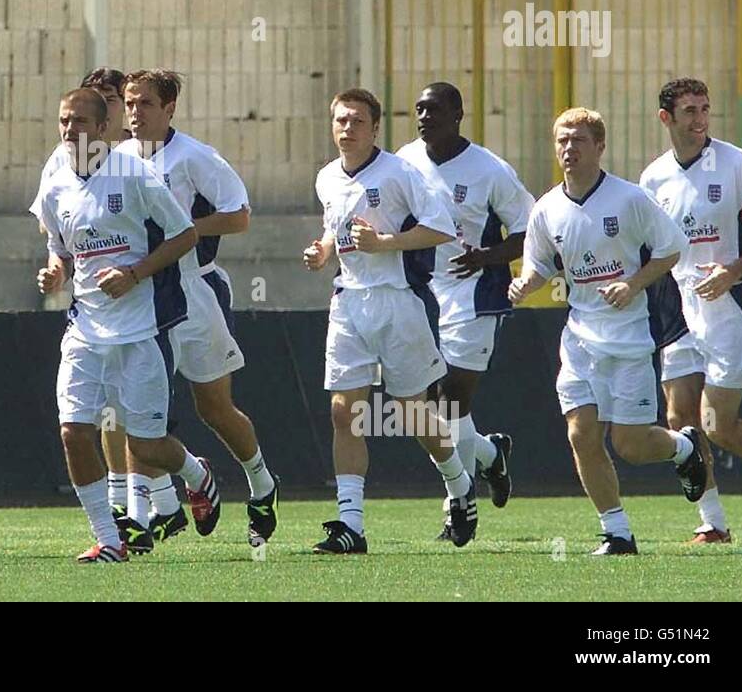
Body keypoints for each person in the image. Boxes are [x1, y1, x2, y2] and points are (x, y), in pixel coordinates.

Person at [508, 107, 708, 555]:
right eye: (562, 140)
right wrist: (526, 282)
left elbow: (672, 248)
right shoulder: (547, 208)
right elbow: (540, 263)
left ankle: (683, 448)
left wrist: (634, 283)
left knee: (631, 445)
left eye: (578, 140)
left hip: (630, 338)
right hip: (579, 339)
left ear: (599, 146)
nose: (568, 148)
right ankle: (617, 533)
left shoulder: (629, 199)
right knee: (581, 434)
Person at [33, 87, 220, 562]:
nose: (68, 129)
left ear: (102, 129)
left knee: (147, 445)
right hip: (85, 329)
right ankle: (110, 540)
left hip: (141, 330)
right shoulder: (56, 185)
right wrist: (56, 267)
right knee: (74, 431)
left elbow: (185, 235)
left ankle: (197, 475)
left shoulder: (135, 175)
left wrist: (135, 273)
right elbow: (60, 245)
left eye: (78, 121)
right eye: (62, 120)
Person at [303, 88, 477, 554]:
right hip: (349, 302)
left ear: (375, 128)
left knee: (411, 413)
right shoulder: (326, 178)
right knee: (345, 410)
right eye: (341, 120)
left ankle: (460, 488)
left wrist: (385, 242)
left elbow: (441, 227)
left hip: (400, 302)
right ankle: (350, 524)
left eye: (358, 121)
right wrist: (322, 250)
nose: (348, 128)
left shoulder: (401, 173)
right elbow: (333, 229)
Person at [119, 69, 280, 548]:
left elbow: (240, 216)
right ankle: (142, 515)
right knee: (139, 407)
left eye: (145, 103)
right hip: (141, 296)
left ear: (169, 109)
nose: (134, 112)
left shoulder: (194, 157)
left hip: (194, 291)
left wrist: (187, 226)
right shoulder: (116, 161)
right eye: (129, 103)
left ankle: (261, 483)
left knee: (214, 407)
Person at [396, 82, 534, 539]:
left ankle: (457, 502)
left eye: (433, 109)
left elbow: (528, 233)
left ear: (458, 113)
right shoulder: (404, 162)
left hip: (474, 295)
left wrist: (485, 257)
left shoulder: (489, 169)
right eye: (418, 109)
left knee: (452, 397)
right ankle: (490, 455)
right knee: (429, 403)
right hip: (417, 293)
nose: (423, 116)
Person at [639, 78, 742, 544]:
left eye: (705, 109)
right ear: (666, 117)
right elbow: (652, 245)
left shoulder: (737, 163)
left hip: (730, 302)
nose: (700, 120)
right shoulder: (653, 178)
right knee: (681, 419)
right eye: (689, 111)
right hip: (679, 303)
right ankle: (713, 524)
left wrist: (733, 270)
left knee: (719, 426)